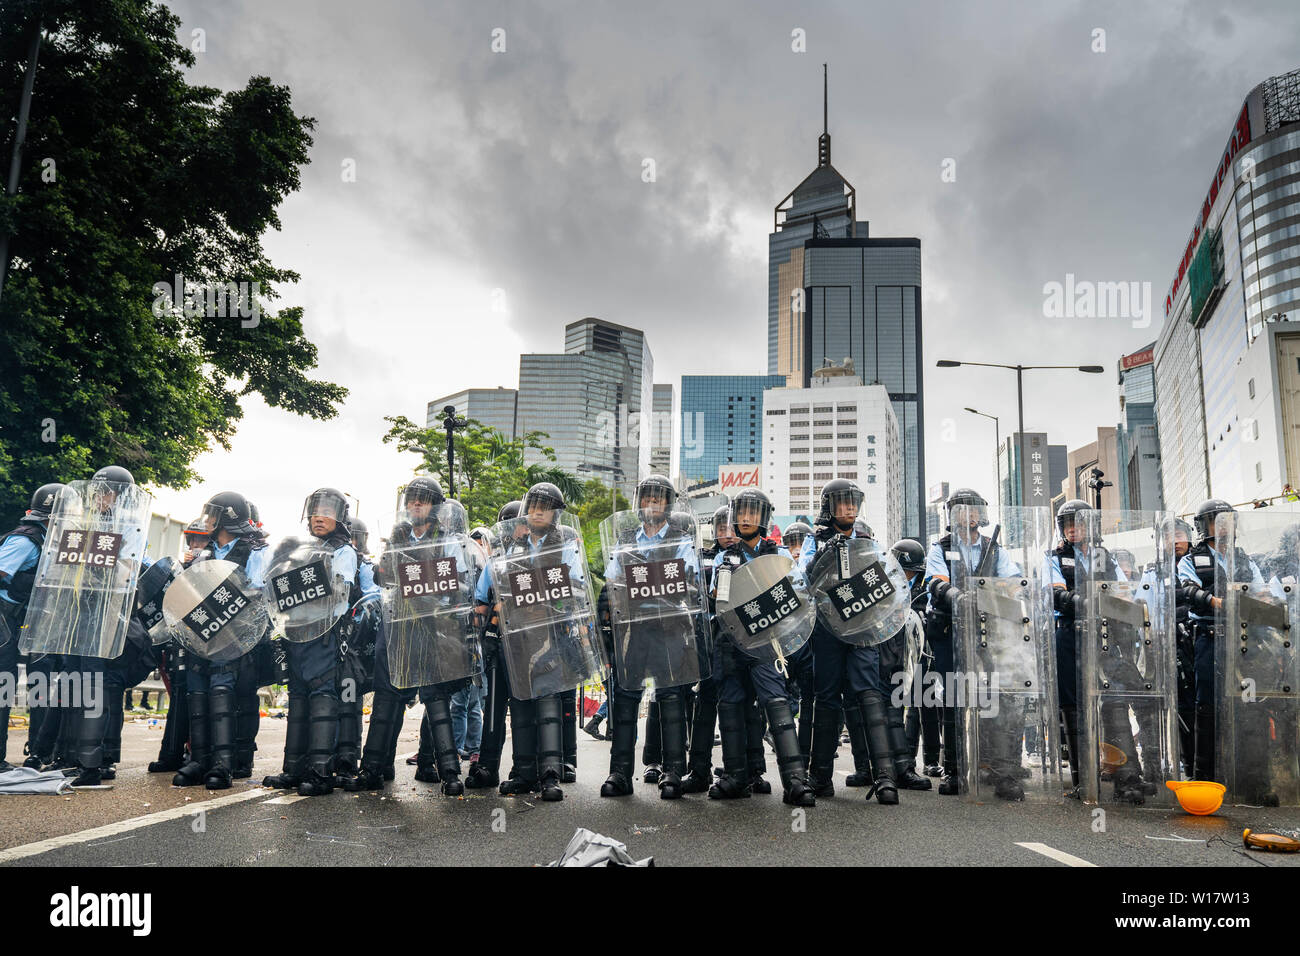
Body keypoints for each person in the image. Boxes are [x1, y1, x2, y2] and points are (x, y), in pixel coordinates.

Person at [481, 483, 593, 802]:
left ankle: (550, 775)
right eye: (533, 506)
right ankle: (523, 772)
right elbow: (488, 588)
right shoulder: (511, 548)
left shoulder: (565, 545)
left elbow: (576, 587)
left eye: (545, 506)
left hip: (552, 636)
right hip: (517, 639)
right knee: (520, 707)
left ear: (556, 513)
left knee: (547, 705)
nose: (538, 511)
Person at [598, 475, 702, 799]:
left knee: (670, 698)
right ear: (640, 503)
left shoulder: (682, 539)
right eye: (647, 498)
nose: (652, 504)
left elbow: (690, 580)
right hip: (635, 628)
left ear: (667, 505)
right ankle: (620, 772)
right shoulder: (626, 539)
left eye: (659, 499)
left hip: (669, 628)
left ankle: (672, 772)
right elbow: (614, 581)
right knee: (626, 695)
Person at [709, 489, 815, 806]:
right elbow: (720, 600)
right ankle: (735, 777)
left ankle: (796, 781)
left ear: (763, 517)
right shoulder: (722, 557)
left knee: (776, 703)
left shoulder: (779, 554)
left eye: (752, 512)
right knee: (731, 706)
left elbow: (797, 595)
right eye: (740, 511)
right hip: (732, 643)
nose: (745, 518)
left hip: (768, 645)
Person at [799, 478, 899, 805]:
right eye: (843, 501)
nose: (850, 507)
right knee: (826, 697)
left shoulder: (867, 540)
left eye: (854, 500)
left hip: (862, 630)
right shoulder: (814, 541)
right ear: (829, 507)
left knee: (870, 693)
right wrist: (823, 556)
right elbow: (802, 581)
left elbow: (888, 581)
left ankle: (885, 777)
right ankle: (820, 777)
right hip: (827, 631)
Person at [923, 487, 1021, 797]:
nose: (969, 515)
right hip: (950, 630)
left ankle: (1000, 770)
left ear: (982, 514)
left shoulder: (996, 550)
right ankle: (953, 770)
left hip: (990, 634)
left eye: (974, 508)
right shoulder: (940, 548)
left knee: (996, 697)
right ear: (951, 516)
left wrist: (990, 594)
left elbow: (1013, 584)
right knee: (955, 697)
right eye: (962, 509)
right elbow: (936, 582)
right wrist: (957, 596)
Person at [262, 487, 359, 797]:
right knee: (299, 699)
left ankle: (320, 772)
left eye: (328, 511)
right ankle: (293, 769)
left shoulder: (344, 551)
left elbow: (341, 589)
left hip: (325, 635)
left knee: (322, 698)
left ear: (340, 517)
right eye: (316, 510)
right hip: (296, 634)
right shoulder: (300, 550)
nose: (320, 516)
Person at [171, 492, 271, 790]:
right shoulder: (204, 551)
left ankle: (223, 764)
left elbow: (257, 591)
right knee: (197, 692)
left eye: (213, 515)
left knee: (222, 692)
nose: (208, 521)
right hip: (200, 635)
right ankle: (200, 760)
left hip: (232, 637)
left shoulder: (255, 551)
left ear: (227, 519)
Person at [0, 483, 65, 771]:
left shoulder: (50, 540)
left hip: (32, 620)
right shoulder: (26, 540)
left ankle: (38, 752)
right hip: (5, 618)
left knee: (40, 682)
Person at [464, 501, 523, 790]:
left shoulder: (540, 557)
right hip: (498, 644)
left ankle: (528, 768)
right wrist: (477, 641)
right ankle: (487, 765)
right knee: (494, 707)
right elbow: (481, 604)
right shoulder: (495, 562)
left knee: (527, 710)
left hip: (529, 645)